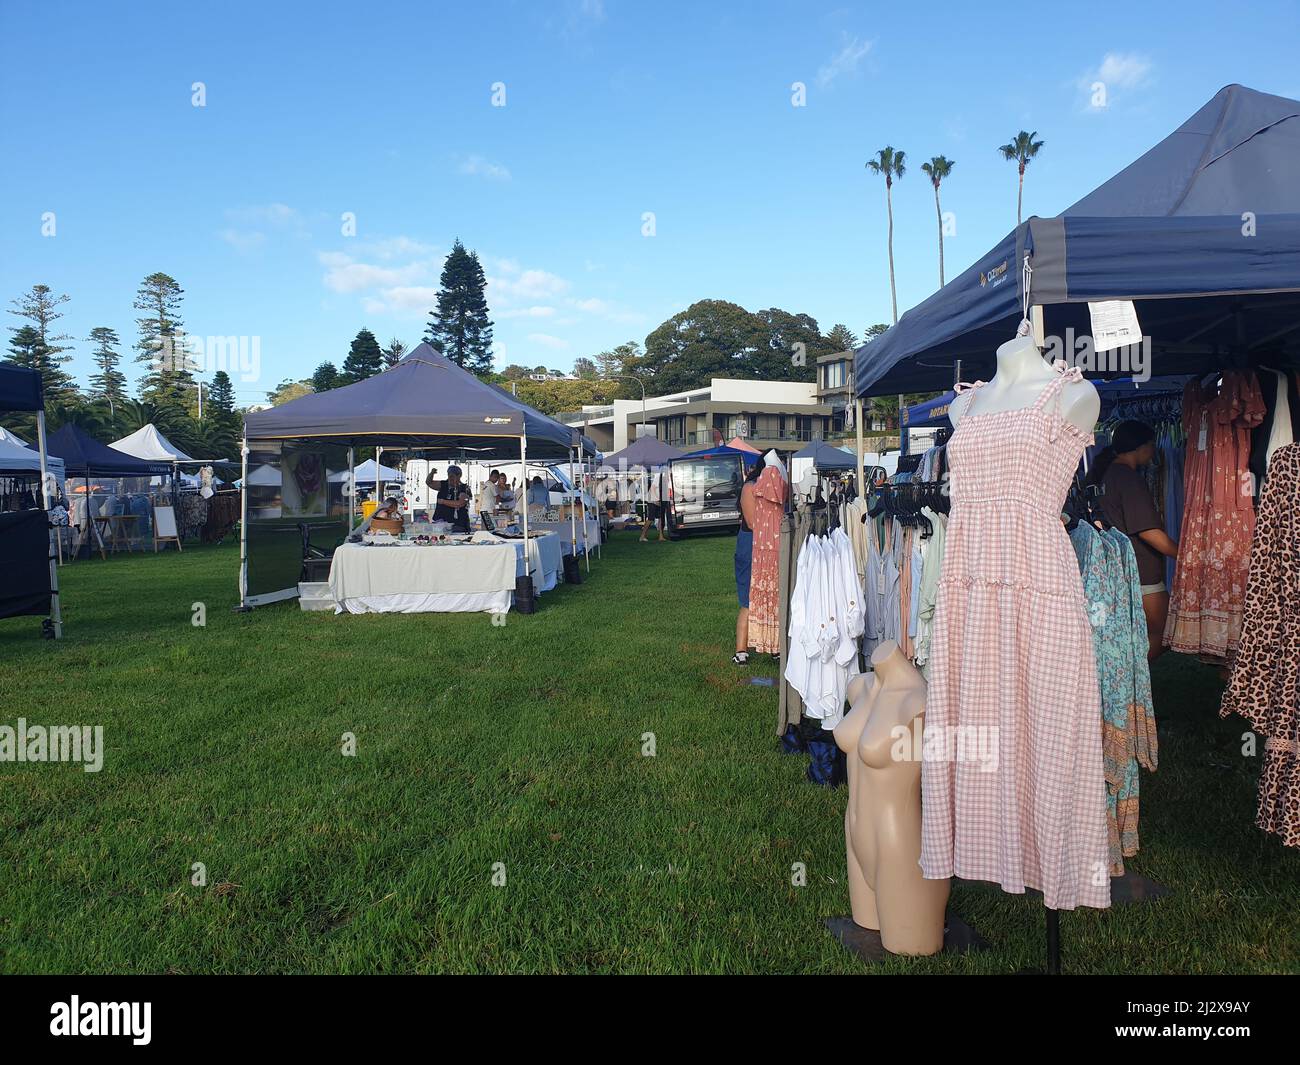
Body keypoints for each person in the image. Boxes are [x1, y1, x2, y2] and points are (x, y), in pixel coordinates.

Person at [1088, 419, 1179, 660]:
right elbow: (1147, 531)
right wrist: (1183, 554)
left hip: (1120, 568)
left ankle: (1127, 679)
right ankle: (1129, 679)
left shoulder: (1108, 475)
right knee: (1166, 631)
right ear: (1141, 447)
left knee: (1143, 632)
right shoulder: (1128, 479)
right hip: (1141, 569)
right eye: (1151, 445)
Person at [732, 460, 762, 665]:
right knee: (748, 600)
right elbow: (751, 523)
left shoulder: (760, 486)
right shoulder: (750, 488)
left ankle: (771, 644)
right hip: (750, 545)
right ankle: (741, 650)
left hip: (762, 545)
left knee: (766, 597)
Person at [434, 465, 471, 533]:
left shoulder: (465, 488)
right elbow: (429, 482)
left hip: (459, 525)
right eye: (449, 475)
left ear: (459, 476)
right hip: (441, 524)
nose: (451, 478)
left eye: (453, 476)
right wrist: (432, 473)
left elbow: (459, 503)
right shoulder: (443, 485)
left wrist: (442, 501)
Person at [640, 465, 669, 543]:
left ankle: (661, 536)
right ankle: (642, 536)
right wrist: (658, 499)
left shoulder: (666, 478)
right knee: (650, 518)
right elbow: (653, 488)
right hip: (652, 500)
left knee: (660, 518)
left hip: (659, 501)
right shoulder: (658, 477)